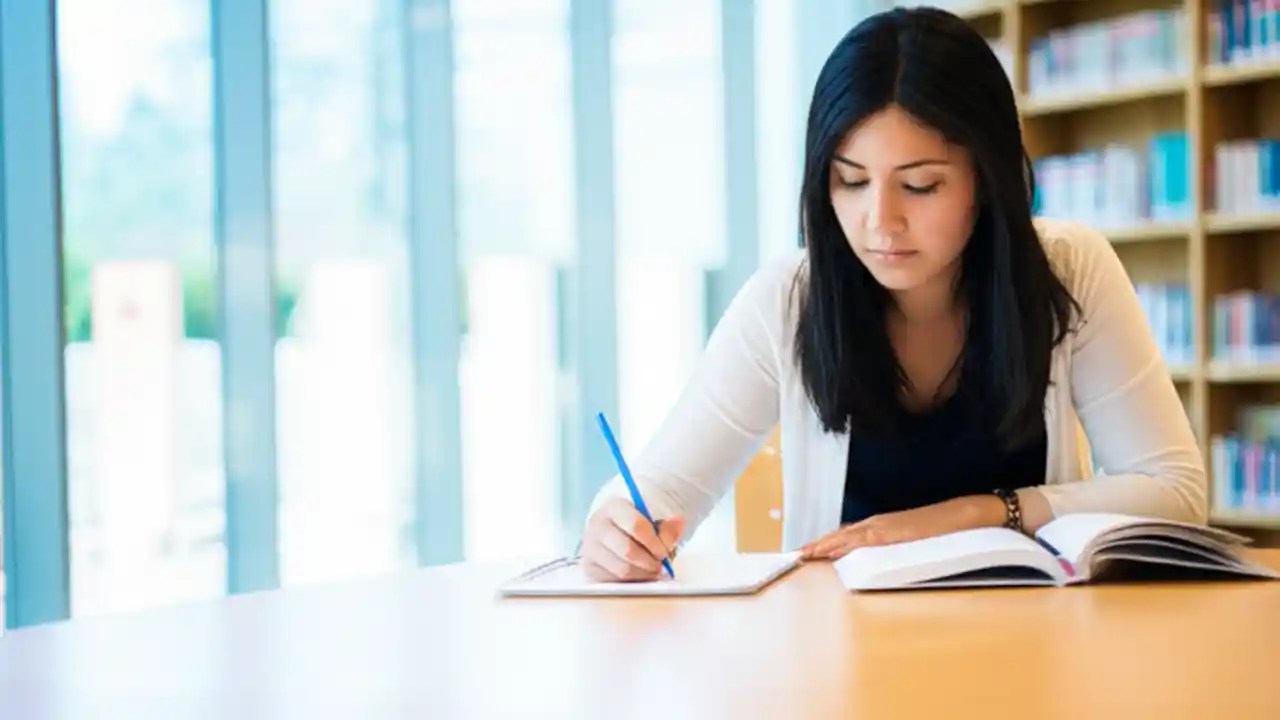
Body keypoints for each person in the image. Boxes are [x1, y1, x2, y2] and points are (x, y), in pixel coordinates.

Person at [577, 6, 1206, 582]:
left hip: (1033, 649)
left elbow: (1175, 492)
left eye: (922, 186)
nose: (879, 221)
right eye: (851, 182)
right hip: (840, 661)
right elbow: (658, 491)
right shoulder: (787, 301)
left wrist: (978, 514)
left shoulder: (1068, 270)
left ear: (986, 180)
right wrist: (616, 526)